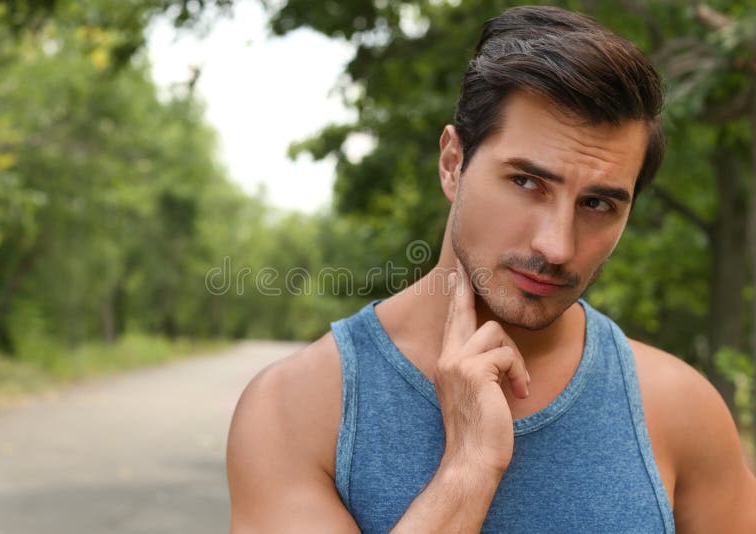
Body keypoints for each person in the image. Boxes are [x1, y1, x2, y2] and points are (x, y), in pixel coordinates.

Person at [226, 5, 756, 533]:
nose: (556, 247)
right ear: (453, 164)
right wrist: (469, 469)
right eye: (527, 182)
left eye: (598, 204)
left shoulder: (681, 410)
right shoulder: (294, 410)